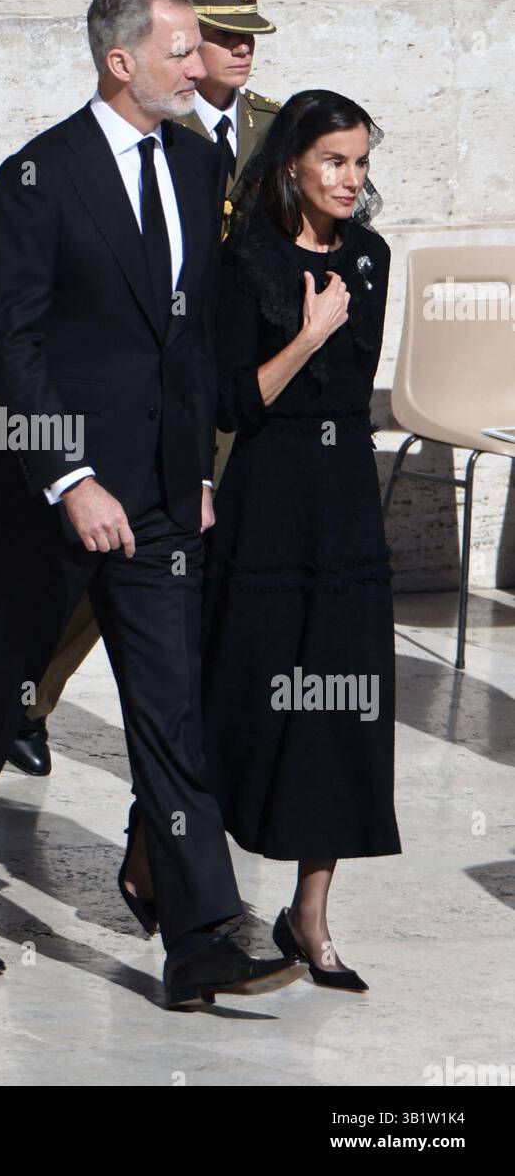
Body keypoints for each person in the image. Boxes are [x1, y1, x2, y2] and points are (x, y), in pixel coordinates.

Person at [0, 0, 305, 1010]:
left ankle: (202, 930)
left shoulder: (199, 155)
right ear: (119, 60)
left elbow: (196, 335)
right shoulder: (36, 175)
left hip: (164, 492)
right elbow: (15, 349)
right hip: (45, 489)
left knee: (169, 713)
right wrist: (70, 478)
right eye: (178, 49)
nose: (196, 64)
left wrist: (195, 470)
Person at [7, 0, 280, 806]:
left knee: (181, 632)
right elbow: (18, 336)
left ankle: (182, 871)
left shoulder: (270, 131)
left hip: (228, 388)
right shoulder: (73, 158)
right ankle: (25, 704)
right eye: (205, 41)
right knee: (94, 592)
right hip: (123, 419)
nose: (222, 57)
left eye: (238, 42)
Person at [199, 89, 401, 990]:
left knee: (340, 709)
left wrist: (332, 334)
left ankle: (309, 915)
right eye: (334, 161)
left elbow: (353, 394)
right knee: (238, 694)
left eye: (360, 161)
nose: (351, 179)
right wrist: (309, 335)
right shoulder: (245, 263)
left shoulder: (370, 256)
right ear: (292, 166)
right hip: (268, 498)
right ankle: (152, 853)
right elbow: (234, 403)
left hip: (346, 503)